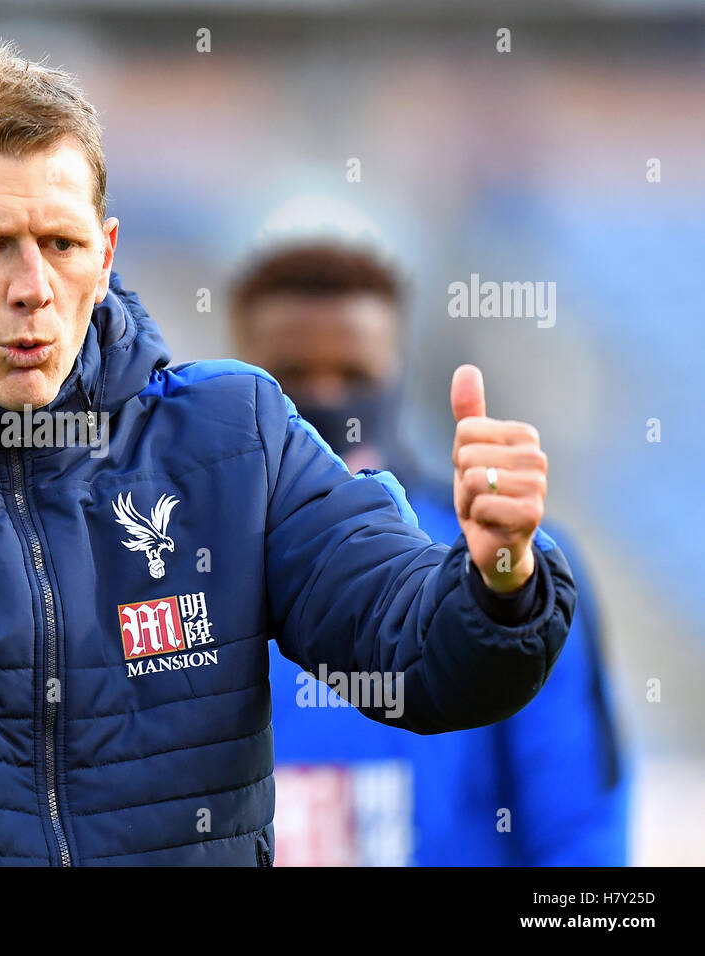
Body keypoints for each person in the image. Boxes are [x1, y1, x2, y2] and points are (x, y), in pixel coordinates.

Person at [0, 41, 576, 867]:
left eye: (61, 242)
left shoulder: (231, 433)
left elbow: (418, 652)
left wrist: (499, 576)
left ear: (108, 250)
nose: (33, 287)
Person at [229, 241, 628, 865]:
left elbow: (578, 834)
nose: (328, 401)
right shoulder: (175, 566)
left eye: (355, 376)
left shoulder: (506, 568)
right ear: (240, 377)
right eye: (292, 378)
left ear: (398, 375)